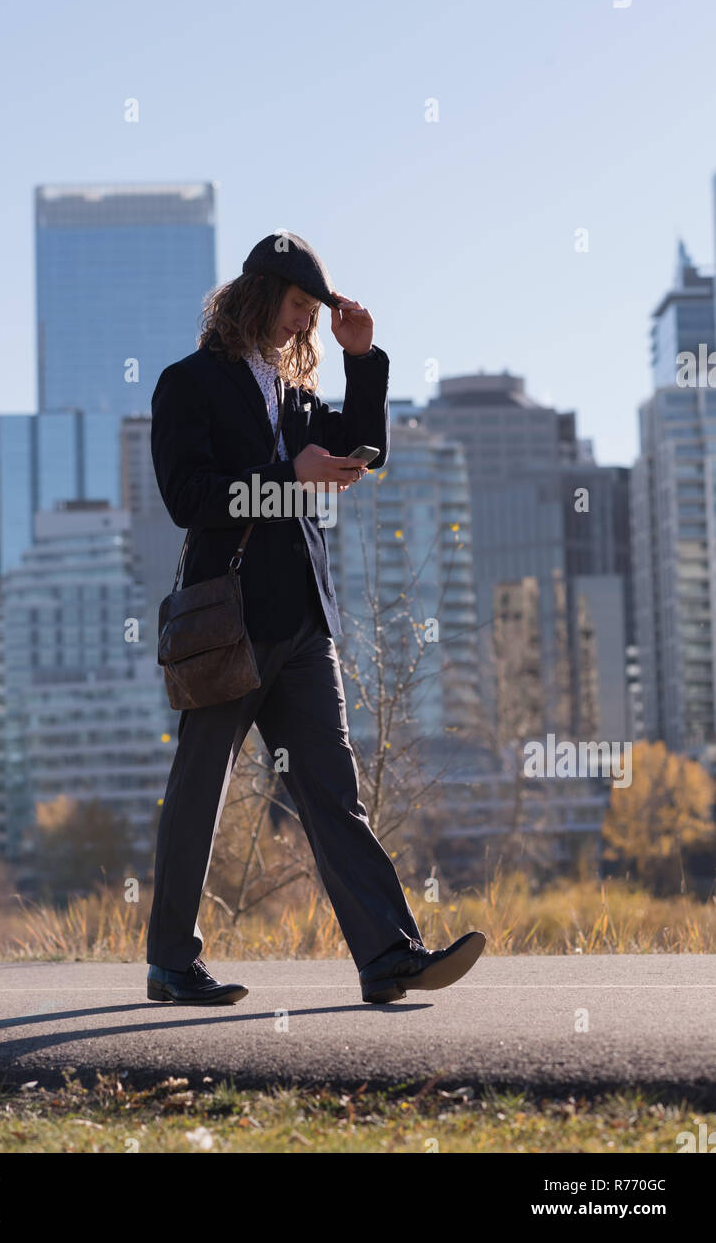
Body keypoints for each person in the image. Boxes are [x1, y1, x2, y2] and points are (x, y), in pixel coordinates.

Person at [146, 231, 485, 1005]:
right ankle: (171, 961)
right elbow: (188, 499)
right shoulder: (187, 384)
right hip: (225, 619)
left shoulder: (296, 397)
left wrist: (362, 359)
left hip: (303, 621)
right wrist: (281, 478)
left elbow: (364, 453)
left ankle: (388, 957)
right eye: (299, 306)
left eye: (312, 311)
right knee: (200, 790)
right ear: (262, 296)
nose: (305, 323)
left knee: (332, 791)